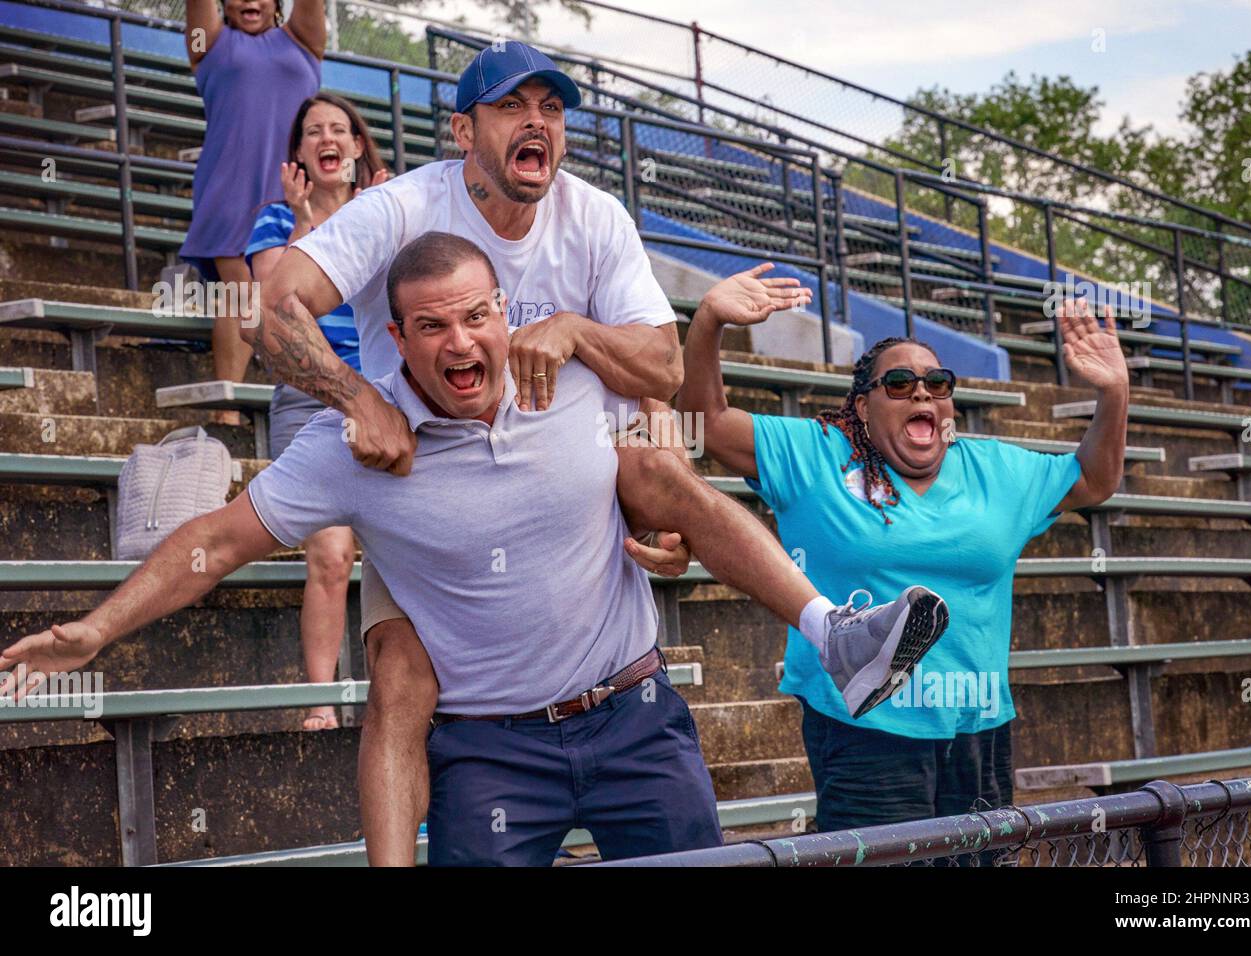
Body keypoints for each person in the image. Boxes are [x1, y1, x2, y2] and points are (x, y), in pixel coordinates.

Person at [1, 234, 948, 865]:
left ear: (504, 311)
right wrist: (92, 631)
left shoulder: (571, 379)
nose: (460, 341)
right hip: (494, 751)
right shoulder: (355, 445)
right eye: (432, 326)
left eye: (476, 315)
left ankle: (833, 632)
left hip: (633, 713)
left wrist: (658, 528)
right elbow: (214, 540)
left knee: (656, 474)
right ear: (398, 343)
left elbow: (670, 420)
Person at [244, 42, 947, 864]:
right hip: (423, 487)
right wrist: (359, 398)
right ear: (462, 131)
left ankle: (836, 635)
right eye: (512, 107)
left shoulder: (593, 215)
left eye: (551, 107)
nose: (537, 121)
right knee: (399, 678)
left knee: (653, 468)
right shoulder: (403, 208)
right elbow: (274, 308)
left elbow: (660, 368)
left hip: (562, 485)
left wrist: (580, 335)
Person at [676, 268, 1131, 833]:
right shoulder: (819, 454)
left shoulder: (997, 468)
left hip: (979, 728)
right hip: (864, 732)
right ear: (863, 408)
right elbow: (705, 426)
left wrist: (1113, 393)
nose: (921, 391)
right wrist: (709, 323)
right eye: (898, 383)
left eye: (937, 383)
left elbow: (1095, 478)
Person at [244, 93, 389, 730]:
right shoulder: (277, 222)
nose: (327, 140)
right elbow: (274, 308)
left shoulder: (388, 211)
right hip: (310, 397)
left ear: (358, 146)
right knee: (331, 556)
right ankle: (321, 700)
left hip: (389, 391)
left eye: (340, 130)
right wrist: (306, 217)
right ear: (299, 153)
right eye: (313, 132)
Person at [179, 0, 324, 425]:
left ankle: (305, 404)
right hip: (229, 190)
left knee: (289, 292)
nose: (250, 2)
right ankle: (227, 415)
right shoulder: (210, 44)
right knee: (241, 292)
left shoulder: (303, 39)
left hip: (293, 191)